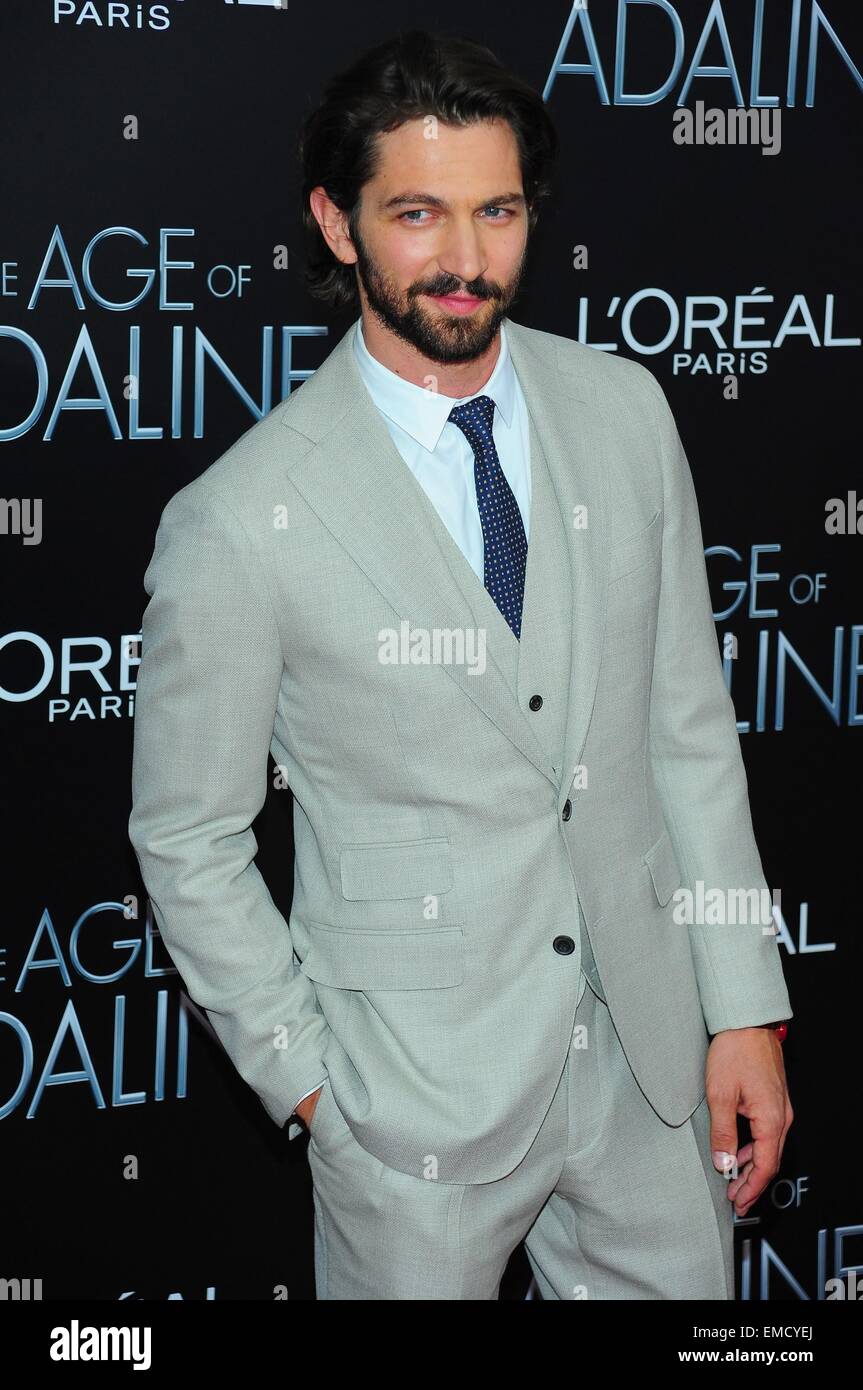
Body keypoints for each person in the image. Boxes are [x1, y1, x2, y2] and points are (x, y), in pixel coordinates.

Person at [128, 30, 793, 1300]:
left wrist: (741, 1003)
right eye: (418, 214)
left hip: (649, 1070)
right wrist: (315, 1086)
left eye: (496, 210)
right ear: (337, 223)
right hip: (410, 1100)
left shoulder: (623, 411)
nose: (465, 258)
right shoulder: (238, 519)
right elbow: (187, 836)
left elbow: (685, 730)